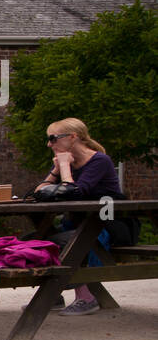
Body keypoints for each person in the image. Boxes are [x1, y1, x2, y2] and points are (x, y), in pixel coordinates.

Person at [33, 117, 126, 316]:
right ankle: (54, 295)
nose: (49, 144)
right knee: (44, 239)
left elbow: (75, 192)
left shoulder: (100, 161)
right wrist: (57, 170)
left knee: (76, 239)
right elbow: (37, 193)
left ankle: (86, 297)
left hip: (107, 223)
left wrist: (65, 168)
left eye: (53, 138)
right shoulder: (66, 163)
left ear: (73, 137)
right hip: (78, 222)